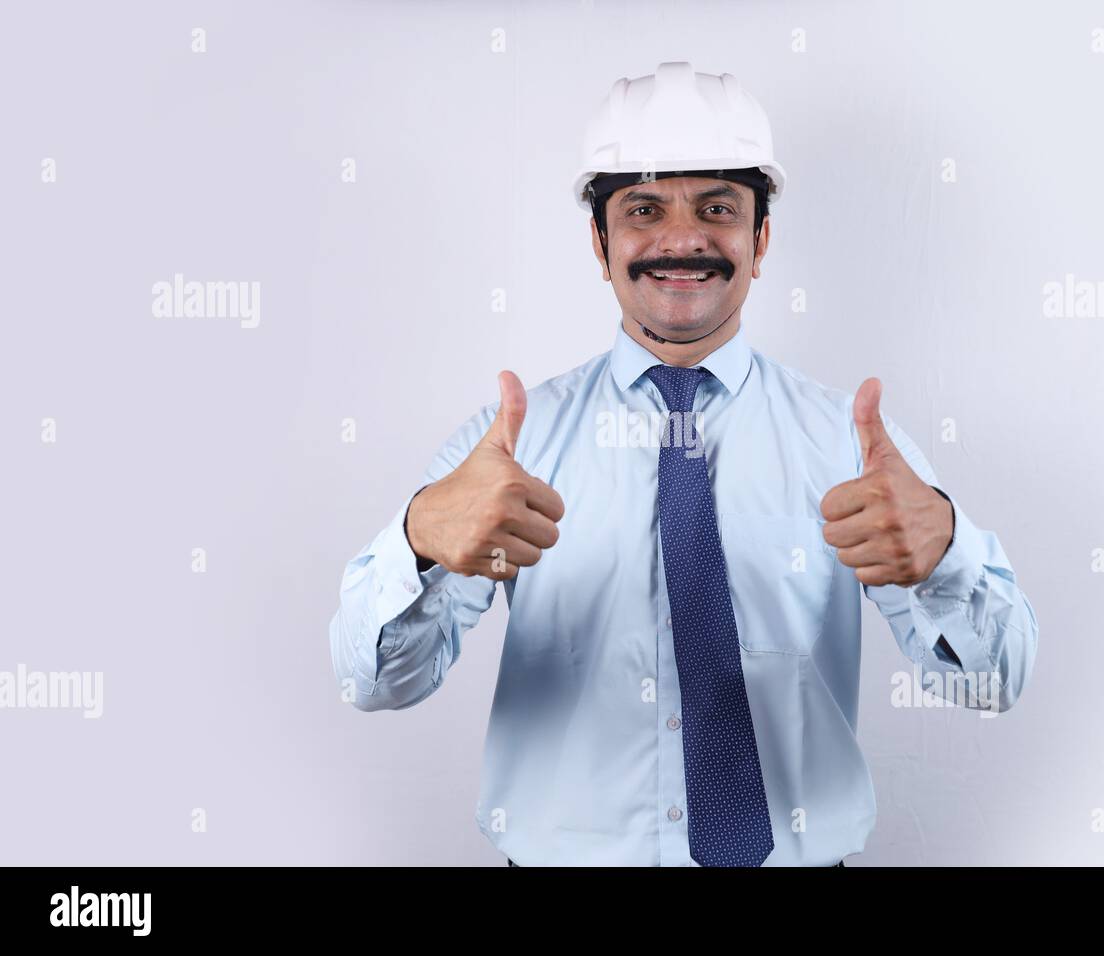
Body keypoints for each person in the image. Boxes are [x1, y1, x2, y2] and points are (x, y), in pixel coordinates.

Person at [329, 61, 1038, 867]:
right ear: (600, 241)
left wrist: (947, 551)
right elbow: (374, 684)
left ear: (760, 239)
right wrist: (419, 538)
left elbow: (996, 681)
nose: (682, 239)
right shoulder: (509, 448)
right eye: (643, 209)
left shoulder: (853, 443)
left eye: (717, 208)